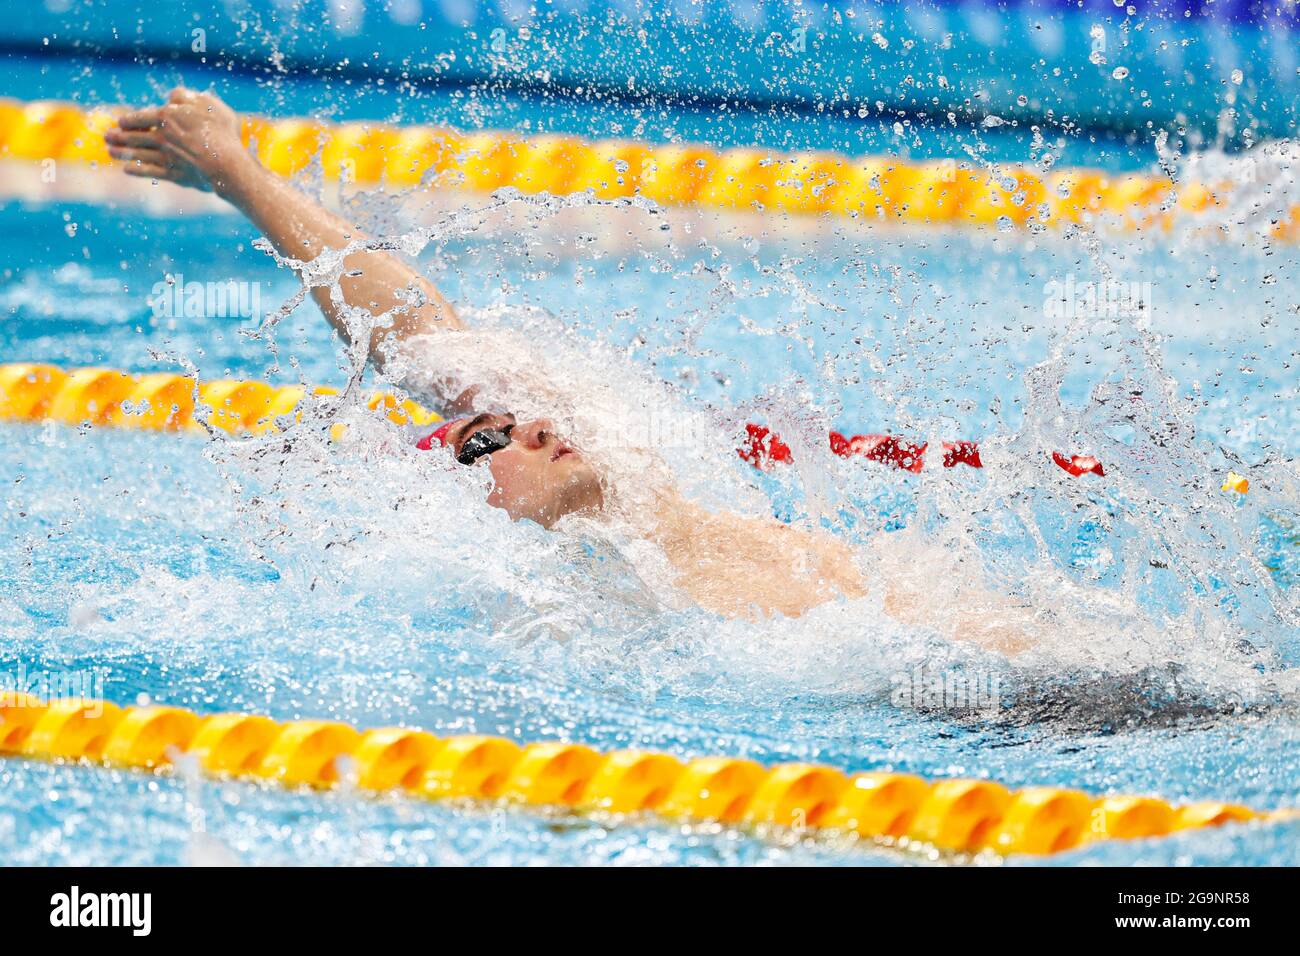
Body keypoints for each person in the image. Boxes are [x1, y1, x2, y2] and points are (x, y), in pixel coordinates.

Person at [107, 87, 1039, 644]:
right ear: (467, 511)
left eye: (509, 418)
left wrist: (243, 176)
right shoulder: (566, 606)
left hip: (990, 635)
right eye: (490, 443)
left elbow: (411, 326)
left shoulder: (640, 489)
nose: (537, 423)